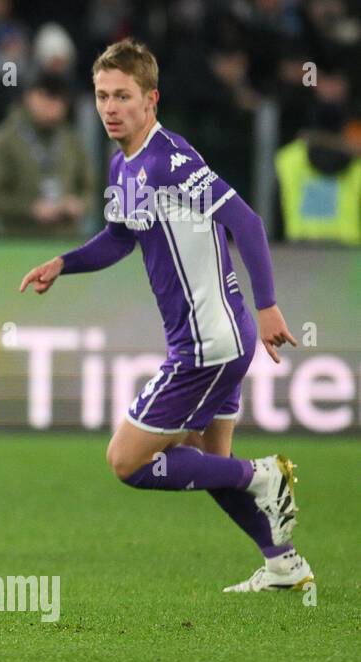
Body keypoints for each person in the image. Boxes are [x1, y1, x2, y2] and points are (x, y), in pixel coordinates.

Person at [19, 39, 310, 594]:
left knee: (125, 461)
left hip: (207, 344)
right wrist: (64, 262)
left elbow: (246, 222)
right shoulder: (123, 165)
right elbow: (119, 240)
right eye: (102, 95)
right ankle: (283, 562)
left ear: (151, 99)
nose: (110, 107)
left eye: (123, 96)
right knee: (207, 462)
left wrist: (269, 303)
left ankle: (265, 474)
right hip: (219, 336)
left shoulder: (169, 160)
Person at [0, 71, 95, 238]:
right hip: (16, 241)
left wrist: (79, 204)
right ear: (28, 97)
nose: (51, 105)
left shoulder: (71, 141)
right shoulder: (4, 139)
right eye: (45, 97)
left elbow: (89, 187)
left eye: (57, 99)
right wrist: (29, 208)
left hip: (65, 241)